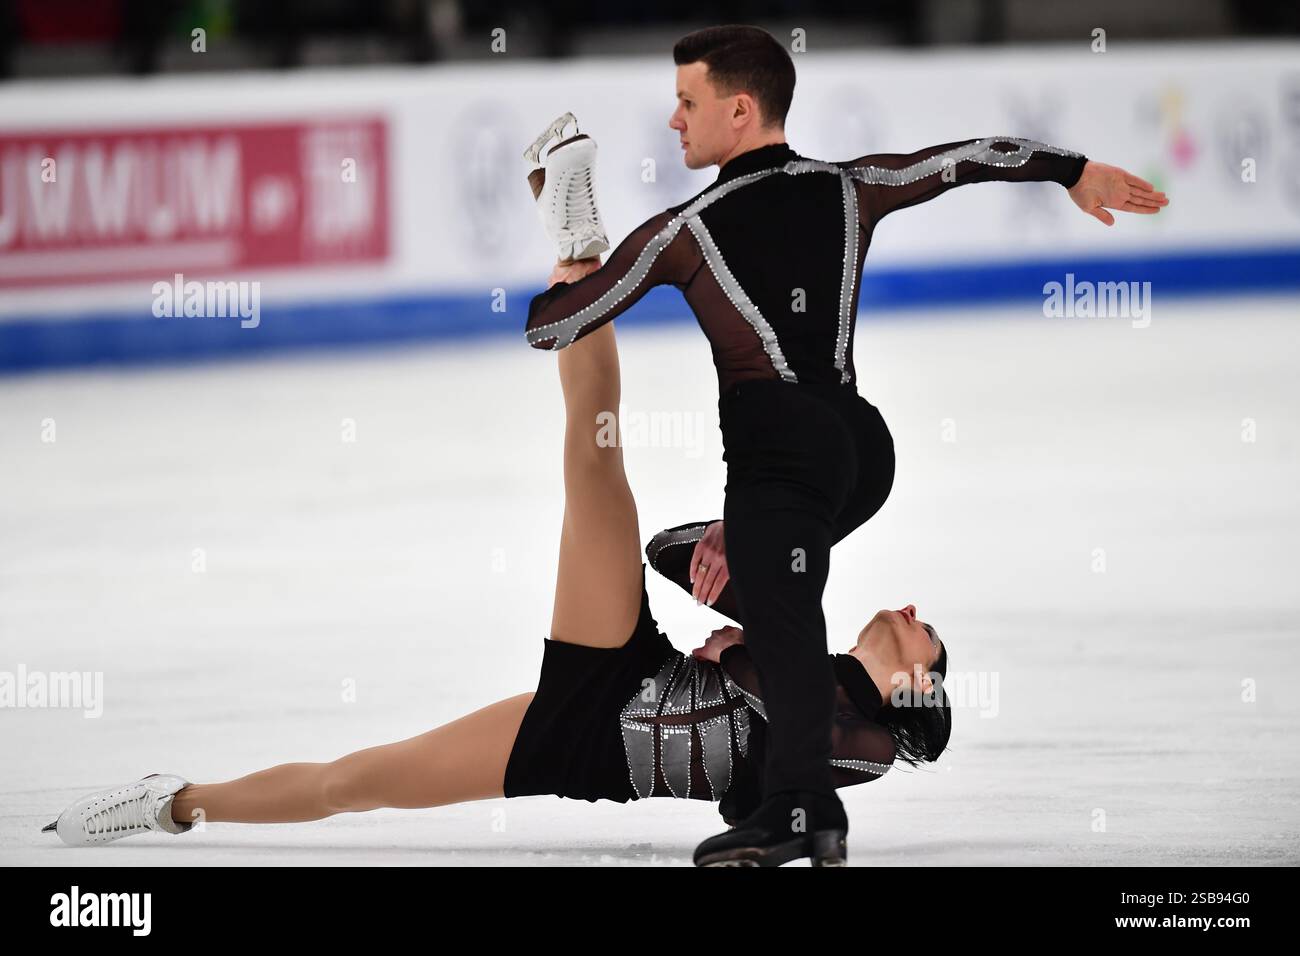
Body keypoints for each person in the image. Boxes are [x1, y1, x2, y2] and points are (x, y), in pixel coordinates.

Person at [522, 24, 1169, 866]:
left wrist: (572, 252)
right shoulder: (851, 186)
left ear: (740, 109)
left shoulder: (685, 230)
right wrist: (1073, 170)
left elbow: (552, 328)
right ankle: (802, 807)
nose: (674, 120)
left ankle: (801, 810)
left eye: (687, 102)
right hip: (861, 456)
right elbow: (966, 158)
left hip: (780, 453)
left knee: (785, 623)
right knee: (776, 598)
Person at [41, 307, 944, 868]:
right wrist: (729, 544)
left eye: (925, 637)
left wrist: (746, 647)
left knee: (356, 782)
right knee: (596, 461)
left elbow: (775, 785)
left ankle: (173, 802)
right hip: (629, 662)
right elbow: (670, 551)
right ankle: (574, 239)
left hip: (586, 748)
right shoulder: (794, 623)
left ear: (915, 687)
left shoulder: (862, 744)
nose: (910, 613)